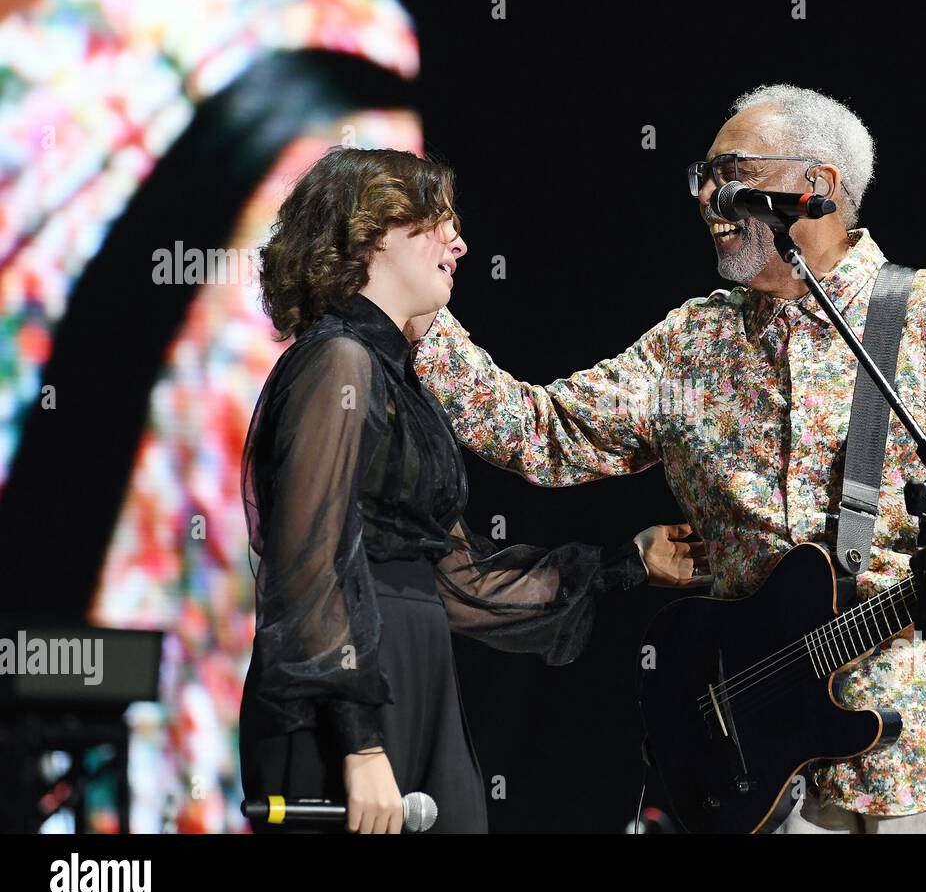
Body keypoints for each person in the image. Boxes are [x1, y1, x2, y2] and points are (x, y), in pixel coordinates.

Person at [411, 84, 926, 833]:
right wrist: (417, 316)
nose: (705, 195)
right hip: (754, 764)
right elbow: (545, 433)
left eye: (730, 172)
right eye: (701, 173)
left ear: (815, 188)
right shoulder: (694, 341)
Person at [238, 146, 707, 834]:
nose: (460, 242)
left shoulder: (399, 381)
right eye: (439, 223)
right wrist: (361, 742)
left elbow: (461, 584)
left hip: (415, 677)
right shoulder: (336, 361)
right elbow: (310, 565)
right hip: (347, 697)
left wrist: (624, 566)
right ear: (374, 233)